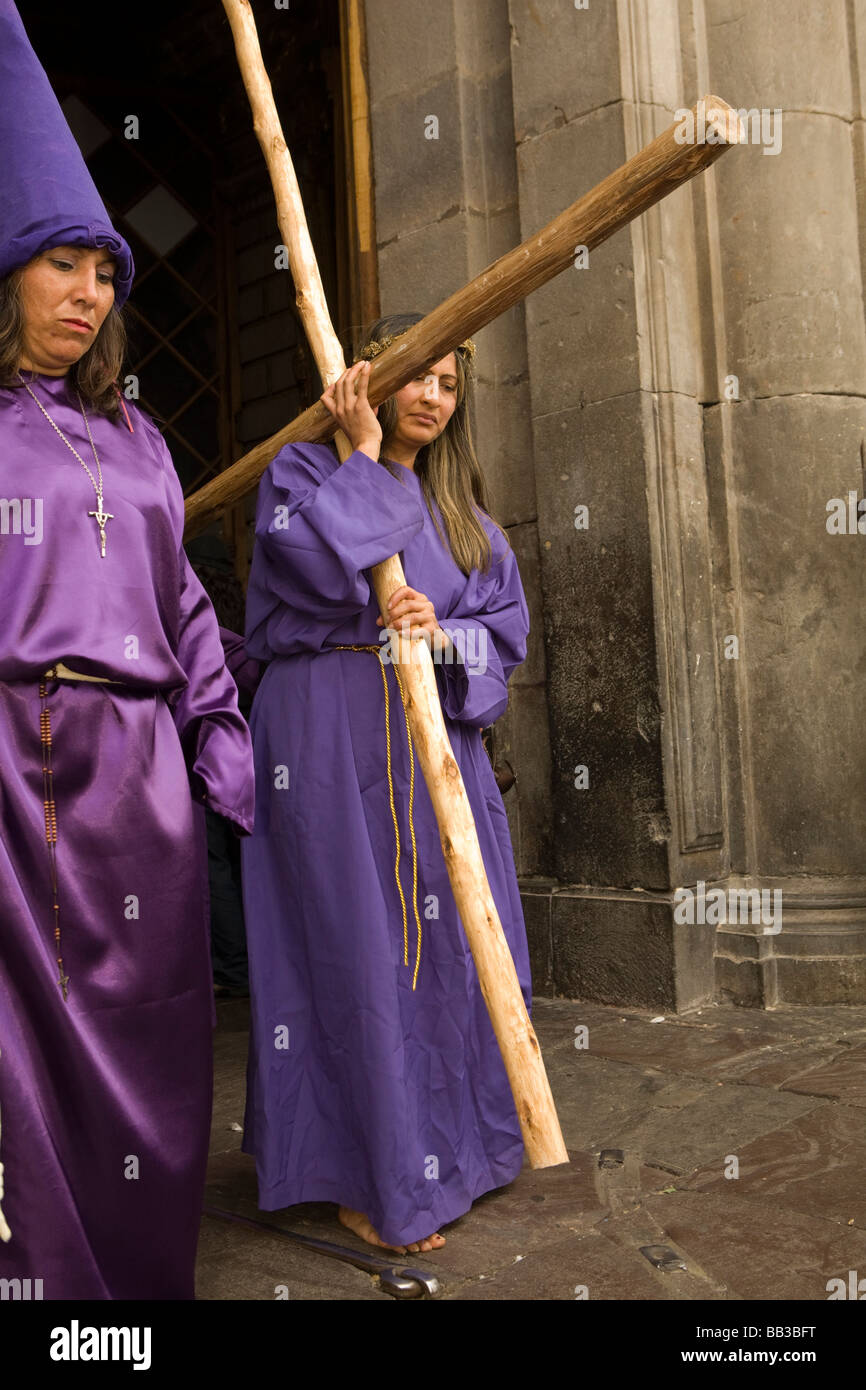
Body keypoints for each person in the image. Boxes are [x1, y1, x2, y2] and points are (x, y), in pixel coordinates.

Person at [0, 0, 255, 1298]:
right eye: (61, 262)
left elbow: (187, 602)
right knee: (25, 1063)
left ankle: (143, 1296)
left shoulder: (145, 442)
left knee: (153, 1050)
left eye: (106, 271)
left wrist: (220, 736)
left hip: (144, 780)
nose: (90, 290)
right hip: (17, 770)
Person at [241, 312, 532, 1255]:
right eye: (416, 376)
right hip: (325, 738)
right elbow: (321, 573)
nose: (433, 398)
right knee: (352, 947)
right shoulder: (299, 473)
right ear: (367, 376)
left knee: (447, 952)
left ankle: (460, 1151)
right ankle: (366, 1172)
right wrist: (360, 455)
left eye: (449, 384)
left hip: (434, 747)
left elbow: (506, 635)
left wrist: (443, 637)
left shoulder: (468, 521)